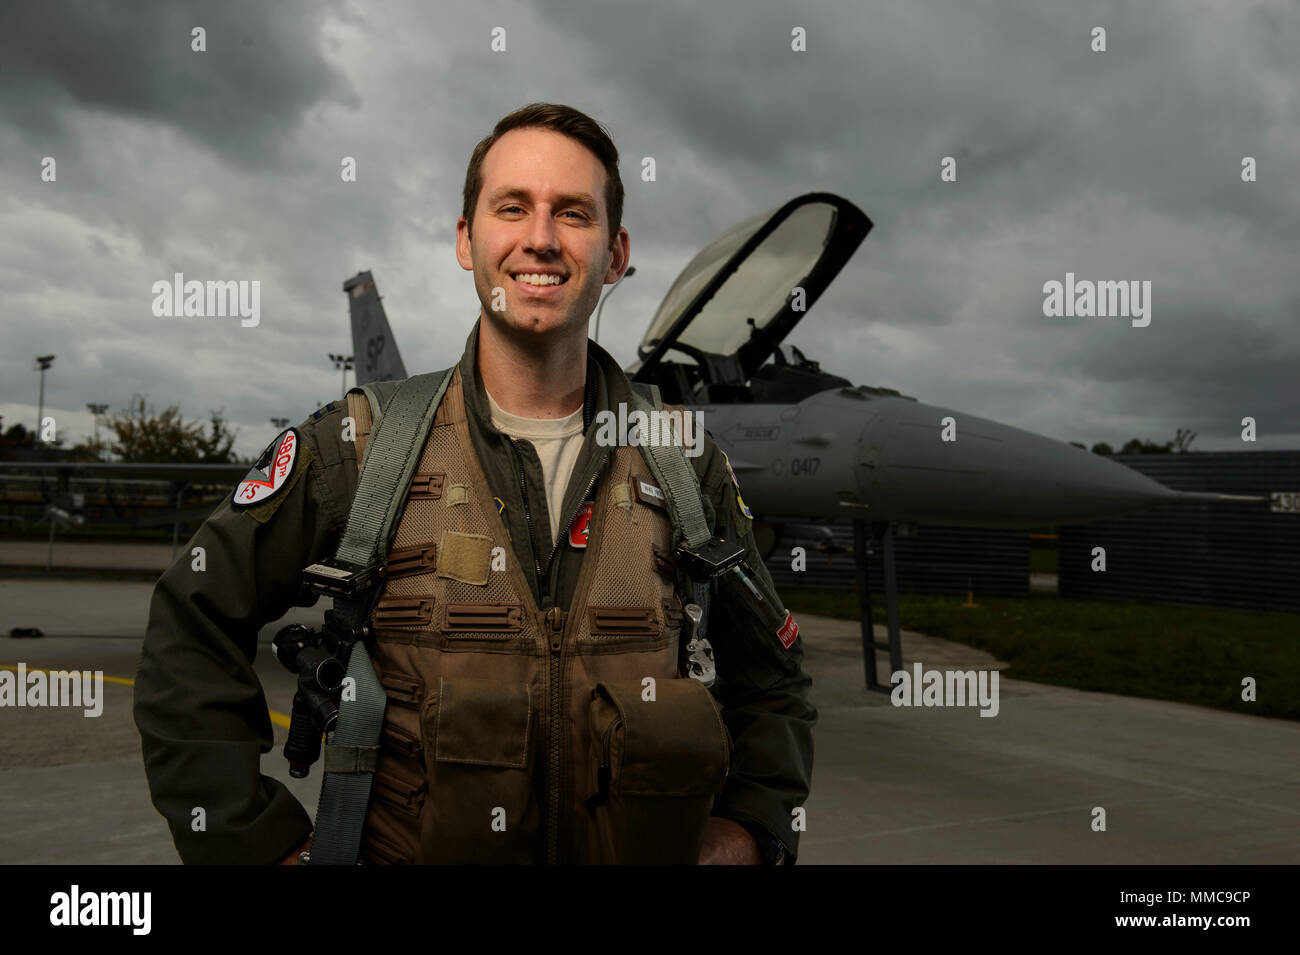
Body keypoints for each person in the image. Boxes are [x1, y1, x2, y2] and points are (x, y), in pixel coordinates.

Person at [134, 102, 815, 865]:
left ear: (616, 254)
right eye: (512, 207)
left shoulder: (683, 464)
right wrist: (255, 843)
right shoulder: (361, 448)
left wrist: (753, 827)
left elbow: (775, 680)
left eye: (574, 213)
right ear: (467, 239)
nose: (541, 239)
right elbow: (189, 626)